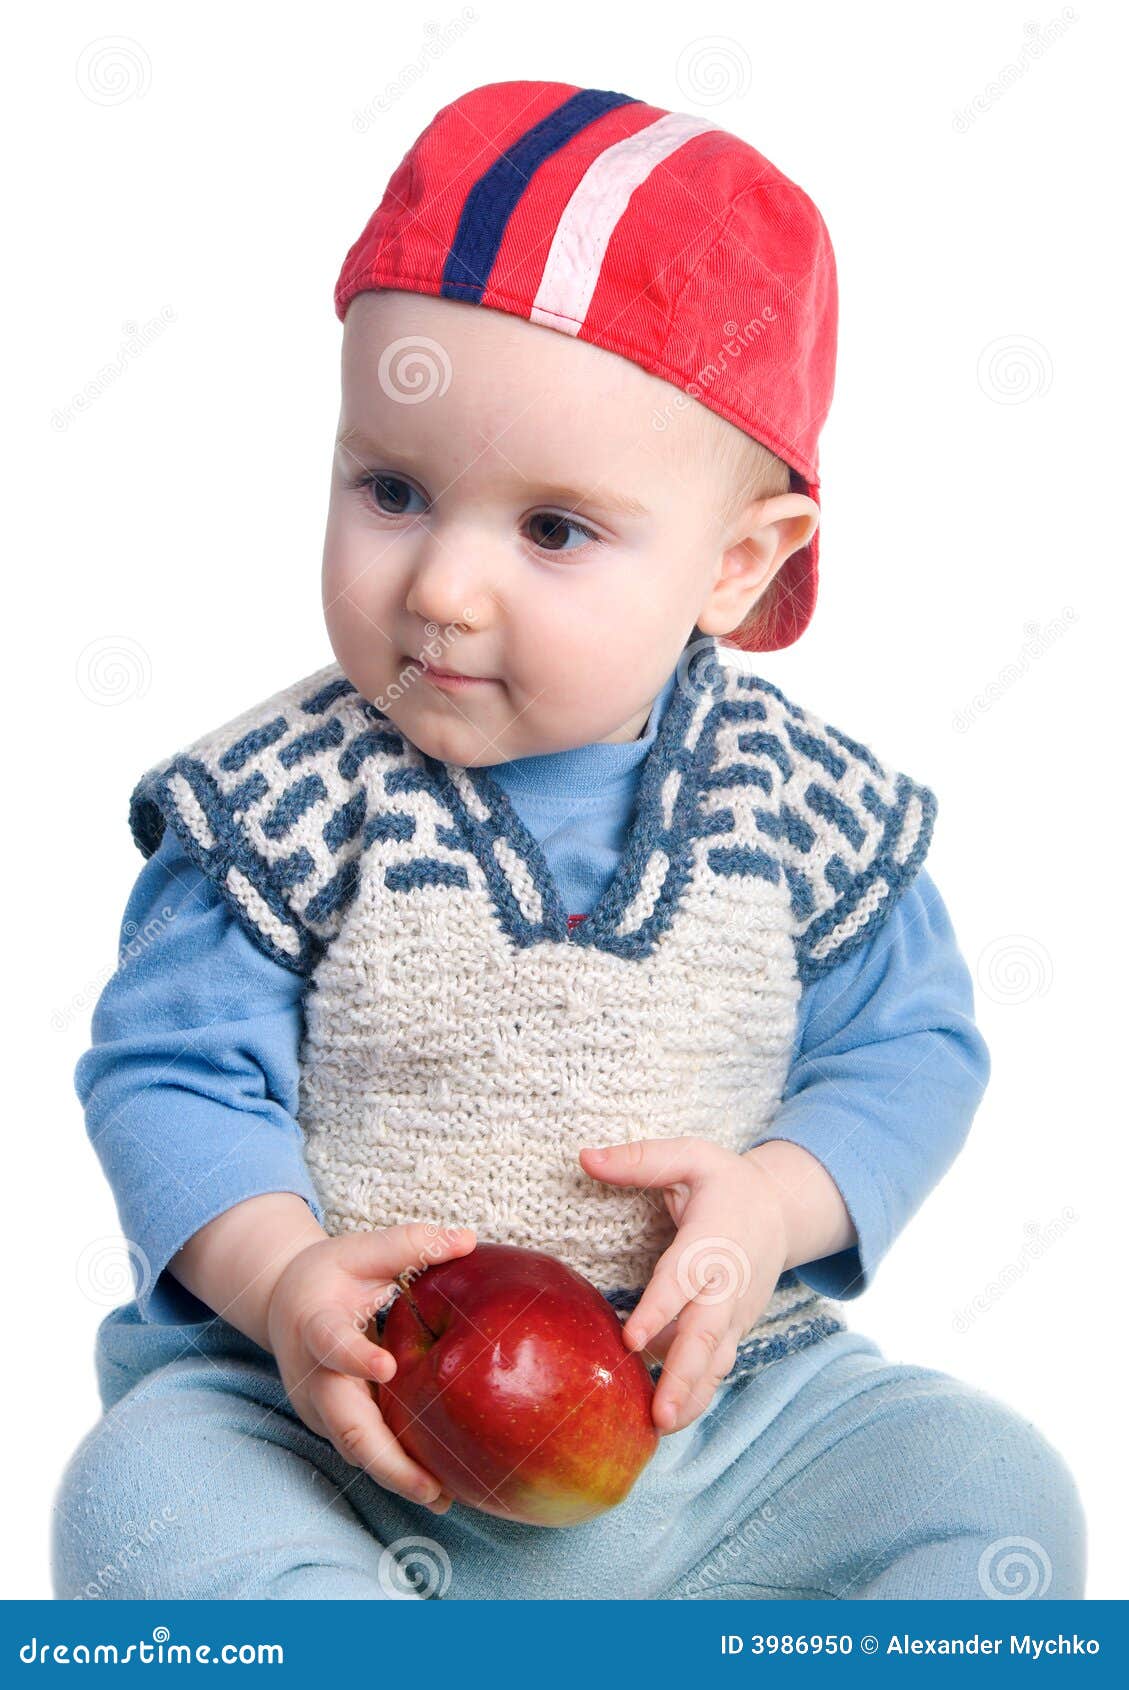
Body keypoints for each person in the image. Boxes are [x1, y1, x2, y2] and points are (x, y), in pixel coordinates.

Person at [51, 79, 1085, 1601]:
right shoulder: (278, 799)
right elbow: (168, 1071)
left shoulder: (808, 810)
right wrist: (281, 1286)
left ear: (737, 562)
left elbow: (907, 1052)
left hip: (715, 1428)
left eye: (553, 530)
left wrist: (774, 1205)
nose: (446, 590)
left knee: (992, 1495)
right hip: (332, 1427)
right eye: (392, 490)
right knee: (137, 1494)